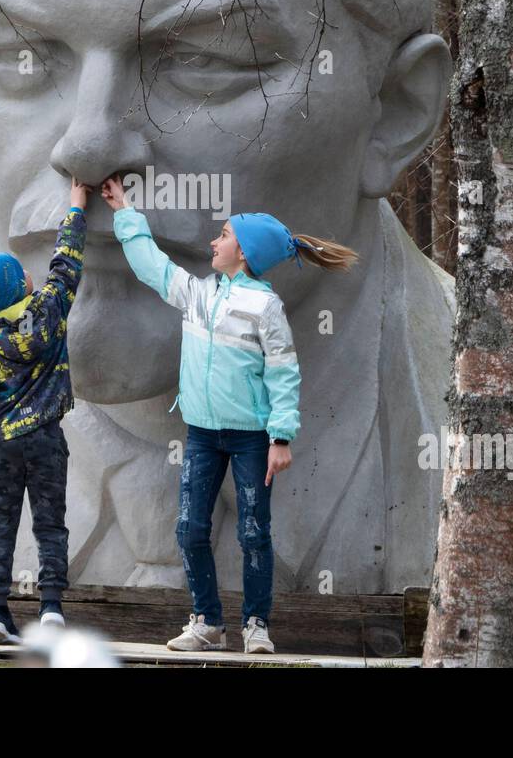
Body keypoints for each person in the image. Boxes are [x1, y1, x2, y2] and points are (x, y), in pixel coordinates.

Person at [99, 172, 358, 654]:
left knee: (254, 531)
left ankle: (256, 626)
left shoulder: (266, 308)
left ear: (244, 254)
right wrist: (123, 211)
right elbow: (152, 265)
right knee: (190, 528)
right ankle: (207, 622)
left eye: (223, 236)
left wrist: (280, 438)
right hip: (201, 435)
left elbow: (284, 374)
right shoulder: (198, 294)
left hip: (252, 440)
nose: (212, 241)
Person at [0, 176, 92, 644]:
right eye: (19, 273)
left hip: (1, 444)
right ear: (20, 285)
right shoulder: (49, 308)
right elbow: (67, 262)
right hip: (46, 439)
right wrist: (76, 207)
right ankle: (51, 607)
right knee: (51, 522)